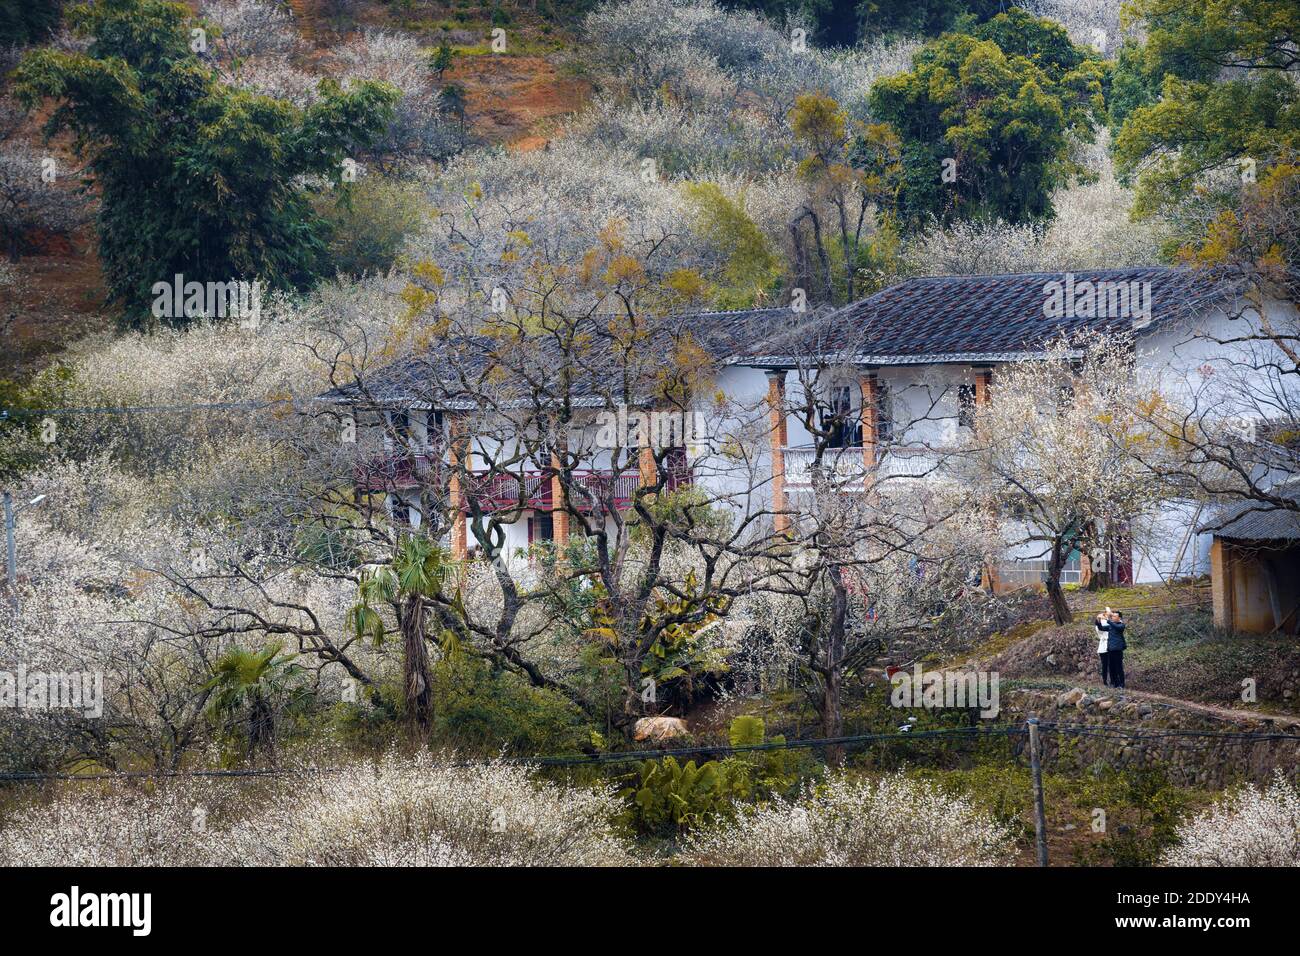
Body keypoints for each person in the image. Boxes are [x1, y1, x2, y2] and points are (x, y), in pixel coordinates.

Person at [1099, 610, 1127, 689]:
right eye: (1113, 616)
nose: (1113, 617)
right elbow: (1101, 628)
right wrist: (1098, 621)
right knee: (1112, 667)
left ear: (1119, 618)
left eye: (1115, 616)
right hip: (1110, 649)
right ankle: (1115, 683)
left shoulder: (1121, 625)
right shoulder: (1111, 626)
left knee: (1119, 667)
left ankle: (1122, 684)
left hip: (1118, 650)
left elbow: (1117, 627)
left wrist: (1108, 621)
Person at [1094, 608, 1110, 686]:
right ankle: (1105, 681)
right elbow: (1100, 628)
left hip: (1109, 645)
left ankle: (1108, 680)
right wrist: (1100, 619)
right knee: (1105, 665)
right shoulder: (1100, 624)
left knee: (1108, 665)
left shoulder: (1109, 622)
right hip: (1103, 646)